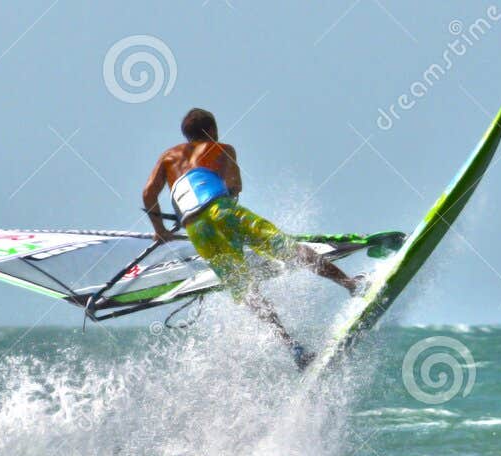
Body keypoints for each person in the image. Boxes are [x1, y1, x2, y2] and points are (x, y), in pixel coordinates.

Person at [142, 107, 363, 368]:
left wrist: (161, 230)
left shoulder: (168, 157)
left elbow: (148, 193)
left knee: (247, 290)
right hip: (221, 210)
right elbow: (234, 187)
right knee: (290, 250)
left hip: (196, 229)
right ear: (211, 130)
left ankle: (294, 348)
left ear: (185, 134)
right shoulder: (222, 148)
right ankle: (351, 284)